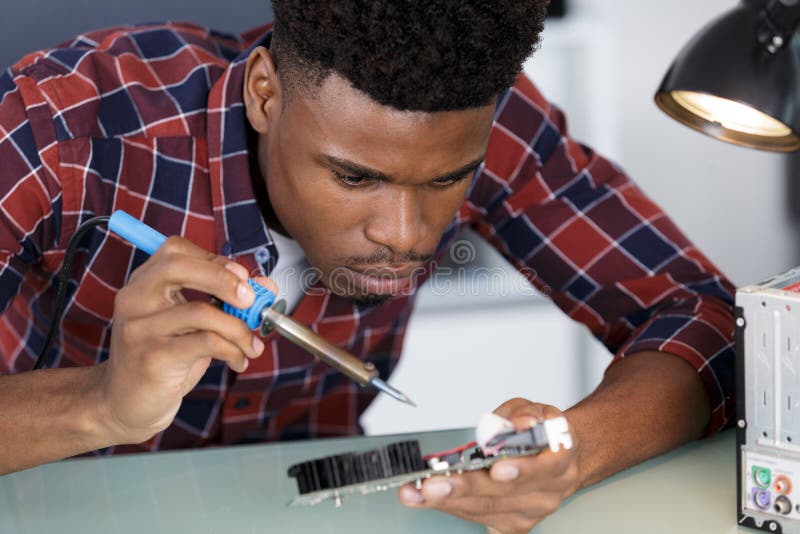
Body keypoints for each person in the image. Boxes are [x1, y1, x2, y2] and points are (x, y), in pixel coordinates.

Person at [0, 1, 734, 532]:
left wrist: (575, 451)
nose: (405, 237)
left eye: (447, 180)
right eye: (355, 178)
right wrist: (100, 403)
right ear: (264, 92)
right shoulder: (60, 127)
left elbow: (708, 320)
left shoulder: (481, 114)